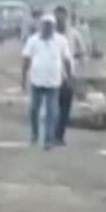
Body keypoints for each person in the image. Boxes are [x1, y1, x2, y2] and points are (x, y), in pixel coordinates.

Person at [21, 13, 73, 151]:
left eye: (50, 26)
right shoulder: (33, 40)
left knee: (52, 112)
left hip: (53, 81)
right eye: (45, 26)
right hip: (36, 80)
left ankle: (48, 139)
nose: (47, 29)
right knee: (33, 110)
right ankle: (34, 134)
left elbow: (67, 60)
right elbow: (26, 59)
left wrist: (69, 77)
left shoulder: (61, 41)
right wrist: (23, 77)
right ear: (41, 26)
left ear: (54, 27)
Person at [53, 6, 87, 145]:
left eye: (62, 18)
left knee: (65, 108)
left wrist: (78, 68)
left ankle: (59, 135)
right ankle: (53, 134)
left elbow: (83, 53)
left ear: (65, 18)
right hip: (51, 76)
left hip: (69, 76)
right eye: (57, 18)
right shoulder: (48, 35)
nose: (59, 20)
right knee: (52, 107)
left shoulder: (74, 35)